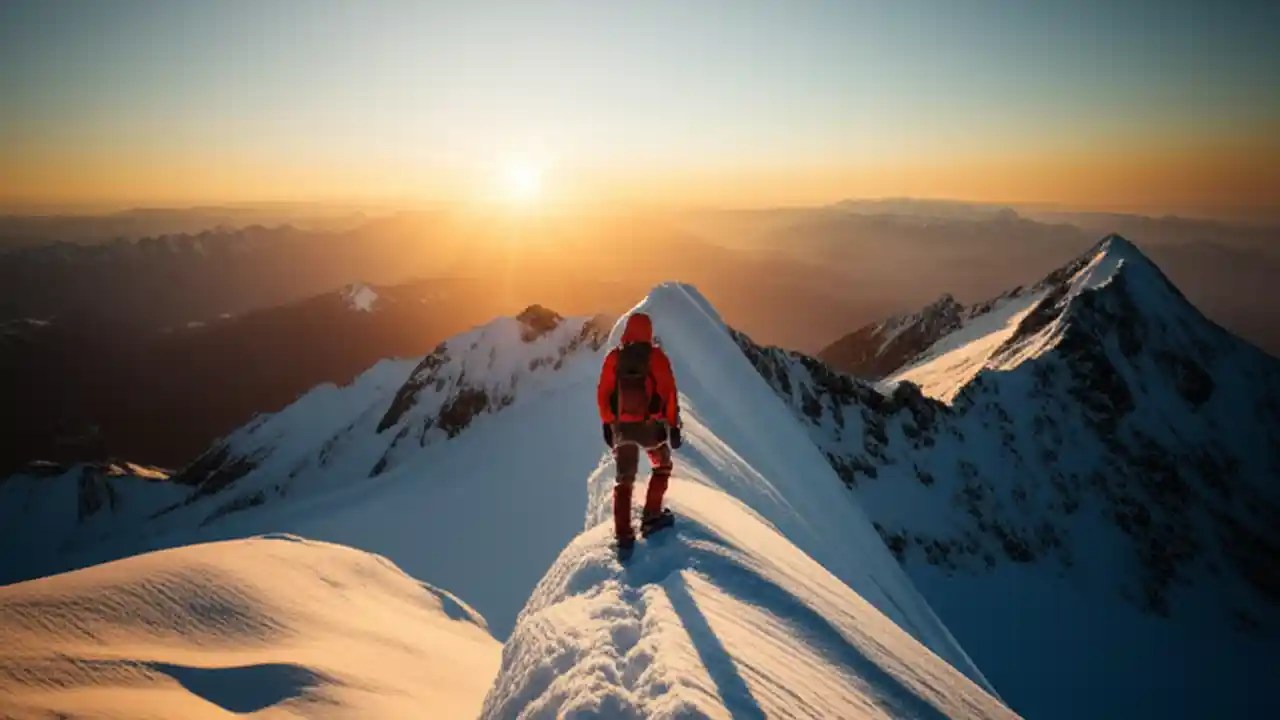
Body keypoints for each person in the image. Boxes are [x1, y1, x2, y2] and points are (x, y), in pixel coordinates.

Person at [597, 312, 683, 552]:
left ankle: (624, 535)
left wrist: (607, 423)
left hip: (621, 429)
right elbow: (668, 393)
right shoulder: (656, 357)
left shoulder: (615, 357)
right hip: (649, 427)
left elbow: (603, 393)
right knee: (662, 465)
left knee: (624, 479)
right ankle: (651, 516)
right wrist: (673, 425)